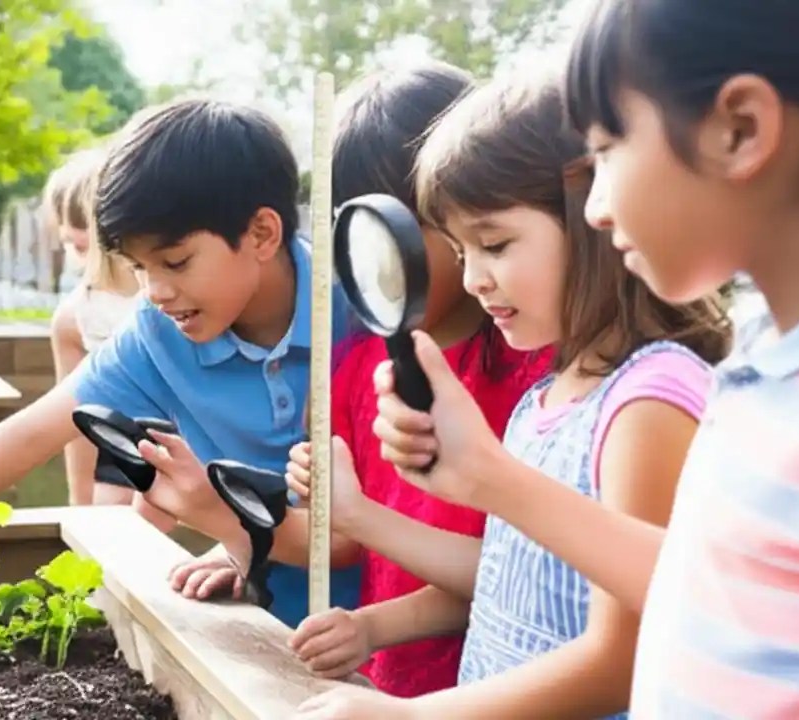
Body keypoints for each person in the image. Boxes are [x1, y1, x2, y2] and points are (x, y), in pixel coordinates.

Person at [353, 1, 799, 717]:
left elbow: (626, 649)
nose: (597, 209)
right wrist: (487, 478)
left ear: (739, 130)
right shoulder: (761, 362)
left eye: (608, 150)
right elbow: (699, 589)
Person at [292, 73, 732, 719]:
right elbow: (506, 578)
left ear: (595, 212)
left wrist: (414, 716)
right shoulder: (548, 398)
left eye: (494, 244)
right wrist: (369, 603)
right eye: (460, 250)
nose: (473, 279)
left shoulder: (647, 403)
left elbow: (623, 661)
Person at [0, 98, 363, 617]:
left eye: (175, 262)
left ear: (262, 233)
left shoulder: (357, 313)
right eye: (137, 267)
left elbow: (345, 540)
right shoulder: (159, 332)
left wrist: (225, 520)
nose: (154, 290)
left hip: (399, 647)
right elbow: (28, 434)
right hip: (279, 630)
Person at [161, 64, 551, 685]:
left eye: (404, 225)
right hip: (382, 686)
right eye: (358, 227)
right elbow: (335, 540)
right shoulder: (351, 369)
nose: (382, 257)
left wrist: (377, 621)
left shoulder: (537, 373)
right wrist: (243, 545)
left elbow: (530, 573)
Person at [44, 148, 151, 510]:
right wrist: (80, 503)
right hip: (123, 446)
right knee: (112, 504)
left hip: (191, 441)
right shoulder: (76, 316)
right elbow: (74, 421)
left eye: (82, 243)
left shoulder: (172, 298)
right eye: (71, 245)